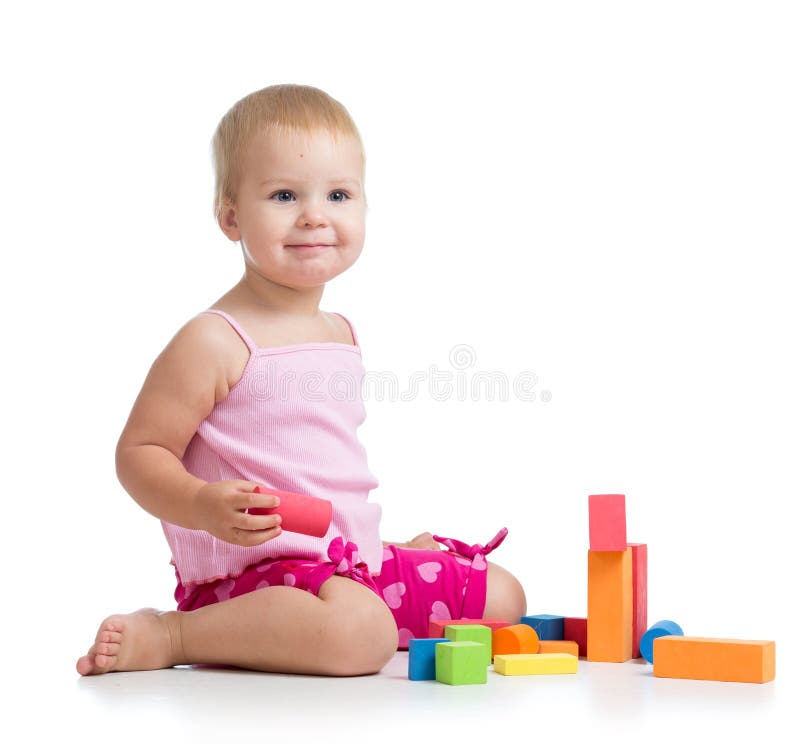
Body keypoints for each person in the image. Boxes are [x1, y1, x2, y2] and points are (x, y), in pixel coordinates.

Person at [76, 84, 527, 678]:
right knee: (361, 634)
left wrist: (374, 545)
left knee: (502, 597)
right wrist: (200, 505)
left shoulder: (340, 332)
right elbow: (139, 451)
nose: (315, 215)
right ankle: (175, 634)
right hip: (256, 576)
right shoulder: (216, 339)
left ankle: (367, 583)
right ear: (231, 216)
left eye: (338, 195)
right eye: (284, 195)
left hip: (346, 562)